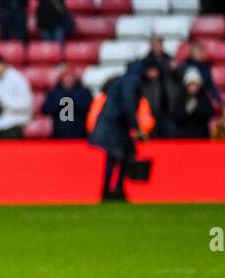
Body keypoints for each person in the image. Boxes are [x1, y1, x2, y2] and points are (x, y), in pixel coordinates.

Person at [88, 66, 150, 201]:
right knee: (119, 156)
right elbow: (128, 105)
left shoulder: (123, 81)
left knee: (117, 157)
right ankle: (115, 189)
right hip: (115, 127)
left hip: (113, 126)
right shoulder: (133, 82)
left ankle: (110, 190)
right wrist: (136, 128)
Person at [0, 54, 33, 139]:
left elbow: (26, 104)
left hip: (13, 125)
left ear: (3, 64)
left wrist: (3, 102)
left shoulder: (17, 79)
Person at [42, 67, 92, 139]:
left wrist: (71, 100)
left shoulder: (84, 92)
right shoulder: (54, 93)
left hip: (79, 131)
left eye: (71, 77)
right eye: (66, 77)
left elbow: (89, 108)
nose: (68, 80)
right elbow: (46, 109)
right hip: (59, 131)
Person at [171, 68, 216, 139]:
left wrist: (197, 109)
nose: (192, 88)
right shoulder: (181, 97)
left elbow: (210, 113)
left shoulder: (204, 97)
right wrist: (186, 111)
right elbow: (175, 115)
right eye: (190, 85)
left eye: (194, 84)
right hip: (183, 135)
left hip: (200, 135)